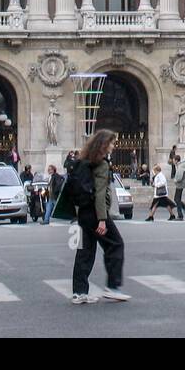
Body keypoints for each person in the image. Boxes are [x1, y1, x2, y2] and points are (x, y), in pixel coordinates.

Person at [70, 128, 129, 305]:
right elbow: (101, 193)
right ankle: (113, 286)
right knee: (116, 244)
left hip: (83, 212)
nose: (113, 146)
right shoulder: (101, 164)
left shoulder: (83, 161)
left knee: (85, 252)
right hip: (96, 213)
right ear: (104, 144)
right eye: (111, 142)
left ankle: (79, 292)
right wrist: (102, 220)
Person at [171, 154, 185, 220]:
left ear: (176, 160)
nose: (173, 161)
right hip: (181, 184)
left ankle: (180, 215)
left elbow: (179, 177)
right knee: (177, 199)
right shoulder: (181, 166)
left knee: (177, 199)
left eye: (173, 160)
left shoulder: (180, 167)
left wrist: (175, 180)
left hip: (180, 184)